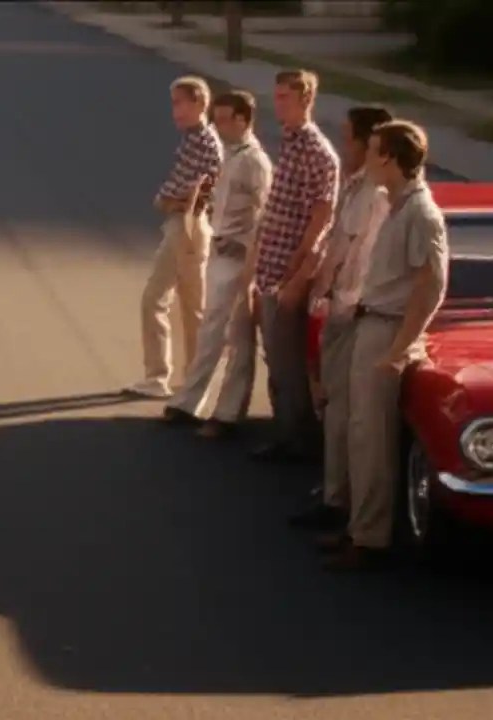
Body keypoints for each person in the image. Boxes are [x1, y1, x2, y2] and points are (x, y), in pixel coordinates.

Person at [321, 120, 448, 571]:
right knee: (359, 434)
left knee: (373, 440)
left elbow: (430, 286)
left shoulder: (421, 213)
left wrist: (399, 349)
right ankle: (357, 527)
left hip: (388, 330)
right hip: (369, 321)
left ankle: (371, 539)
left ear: (390, 158)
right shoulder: (393, 205)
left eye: (373, 151)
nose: (366, 159)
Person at [290, 105, 393, 532]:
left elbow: (362, 256)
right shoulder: (355, 185)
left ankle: (347, 508)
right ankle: (334, 494)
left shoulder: (377, 196)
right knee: (334, 410)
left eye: (349, 136)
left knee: (352, 419)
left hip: (355, 313)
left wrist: (333, 293)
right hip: (337, 309)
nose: (343, 143)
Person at [162, 90, 272, 434]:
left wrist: (252, 260)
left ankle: (226, 412)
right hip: (217, 249)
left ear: (243, 120)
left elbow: (264, 215)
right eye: (216, 119)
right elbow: (210, 195)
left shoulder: (255, 161)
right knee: (214, 330)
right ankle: (191, 401)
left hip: (240, 255)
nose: (217, 125)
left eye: (224, 119)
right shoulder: (224, 154)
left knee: (234, 335)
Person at [250, 69, 340, 463]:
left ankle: (300, 440)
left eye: (285, 97)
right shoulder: (289, 142)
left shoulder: (317, 152)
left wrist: (295, 272)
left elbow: (321, 218)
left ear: (306, 99)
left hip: (289, 271)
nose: (278, 104)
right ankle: (285, 432)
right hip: (268, 267)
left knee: (288, 363)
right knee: (275, 358)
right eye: (276, 96)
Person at [127, 75, 223, 399]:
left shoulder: (205, 143)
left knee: (164, 301)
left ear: (200, 103)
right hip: (184, 226)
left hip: (188, 228)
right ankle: (187, 378)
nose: (175, 111)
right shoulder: (192, 139)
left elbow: (201, 193)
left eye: (180, 103)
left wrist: (169, 201)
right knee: (184, 304)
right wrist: (169, 200)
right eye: (173, 103)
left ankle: (166, 377)